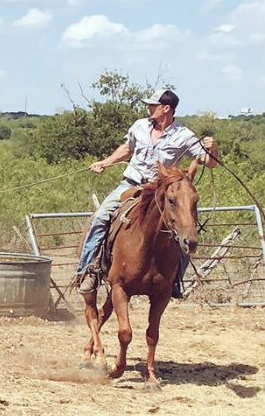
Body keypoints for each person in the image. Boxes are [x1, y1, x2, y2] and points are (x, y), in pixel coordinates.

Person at [76, 89, 219, 298]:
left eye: (153, 105)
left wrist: (213, 148)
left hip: (159, 192)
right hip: (130, 184)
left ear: (166, 108)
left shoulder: (184, 136)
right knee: (100, 217)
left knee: (186, 229)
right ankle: (89, 270)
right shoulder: (139, 126)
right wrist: (106, 162)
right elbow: (127, 148)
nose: (148, 108)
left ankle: (174, 279)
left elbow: (209, 162)